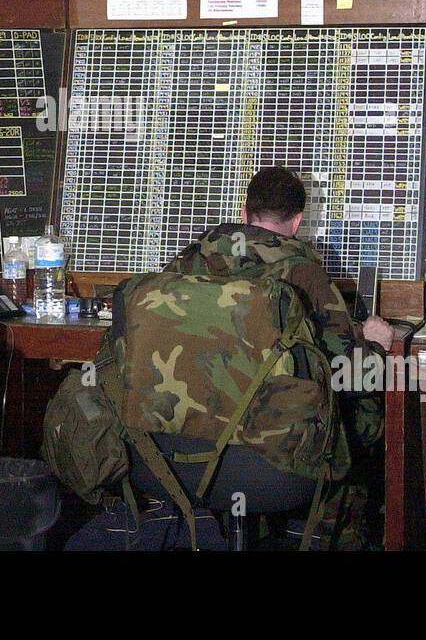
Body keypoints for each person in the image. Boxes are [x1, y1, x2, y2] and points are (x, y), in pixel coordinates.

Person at [163, 166, 393, 550]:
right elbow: (355, 373)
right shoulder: (304, 272)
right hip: (272, 445)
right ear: (298, 220)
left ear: (244, 212)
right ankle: (340, 536)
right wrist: (377, 344)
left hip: (185, 439)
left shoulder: (192, 260)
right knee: (362, 415)